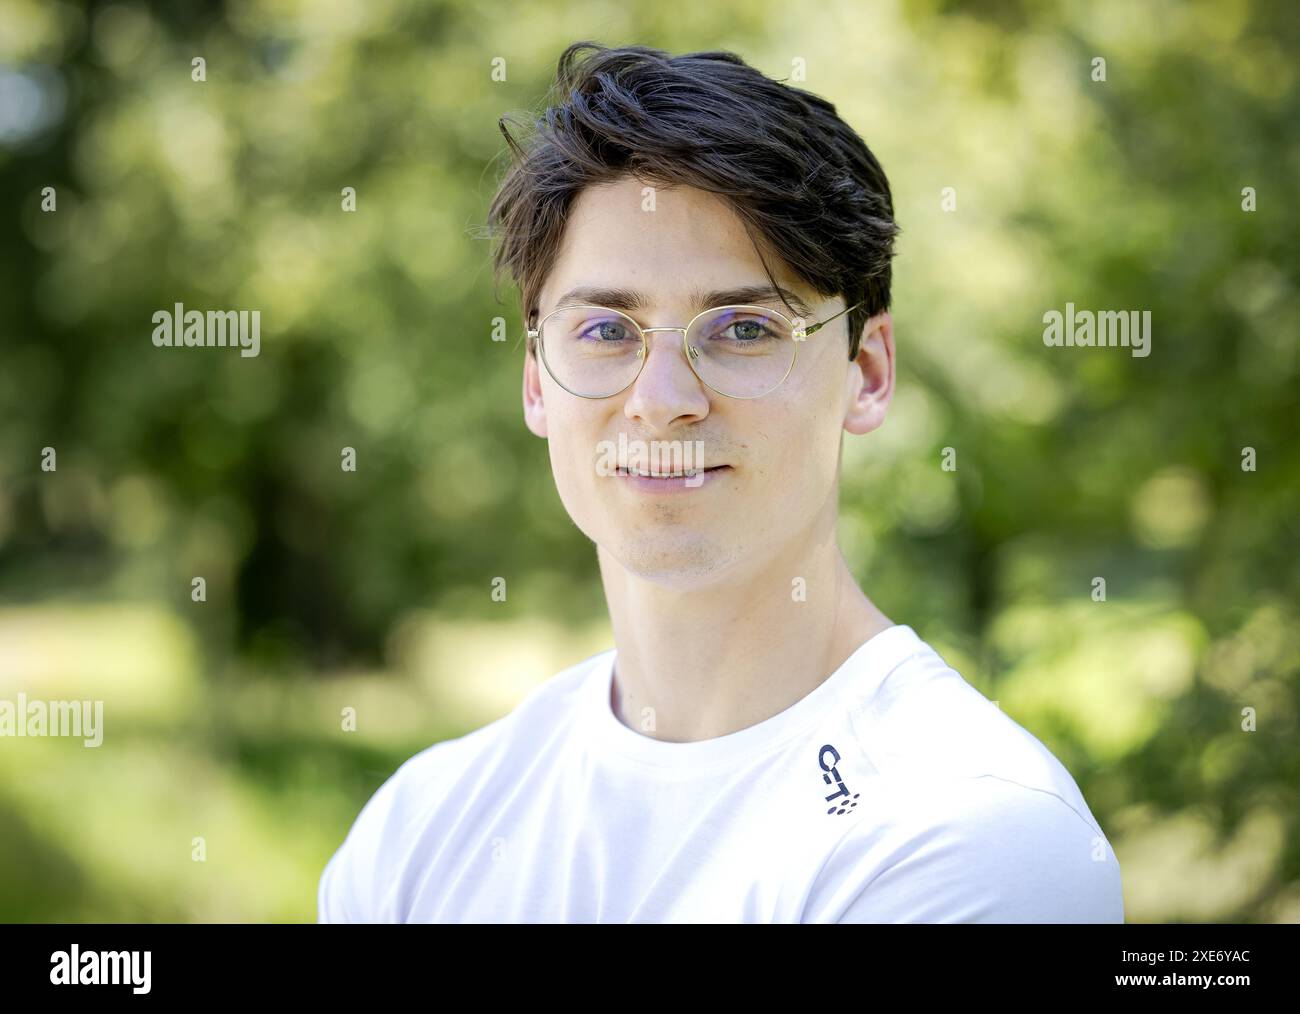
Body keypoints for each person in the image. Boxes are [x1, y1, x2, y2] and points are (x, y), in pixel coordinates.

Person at [317, 40, 1123, 923]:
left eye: (742, 329)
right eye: (605, 330)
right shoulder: (420, 830)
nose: (663, 402)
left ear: (868, 371)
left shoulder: (972, 831)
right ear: (536, 381)